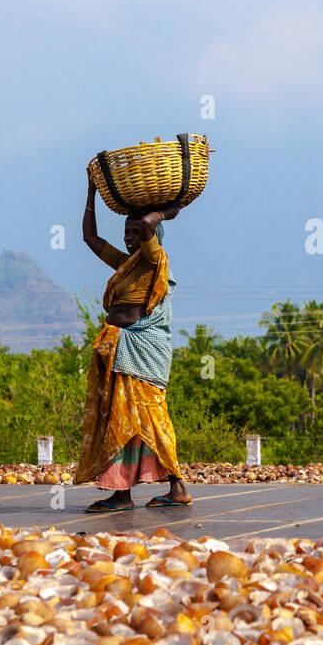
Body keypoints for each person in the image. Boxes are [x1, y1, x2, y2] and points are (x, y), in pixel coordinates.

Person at [75, 167, 192, 511]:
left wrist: (167, 212)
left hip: (141, 352)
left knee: (148, 419)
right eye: (126, 231)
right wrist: (91, 192)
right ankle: (126, 492)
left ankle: (170, 488)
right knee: (124, 419)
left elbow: (150, 227)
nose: (130, 237)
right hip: (121, 349)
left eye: (135, 231)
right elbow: (90, 239)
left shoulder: (156, 262)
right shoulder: (127, 264)